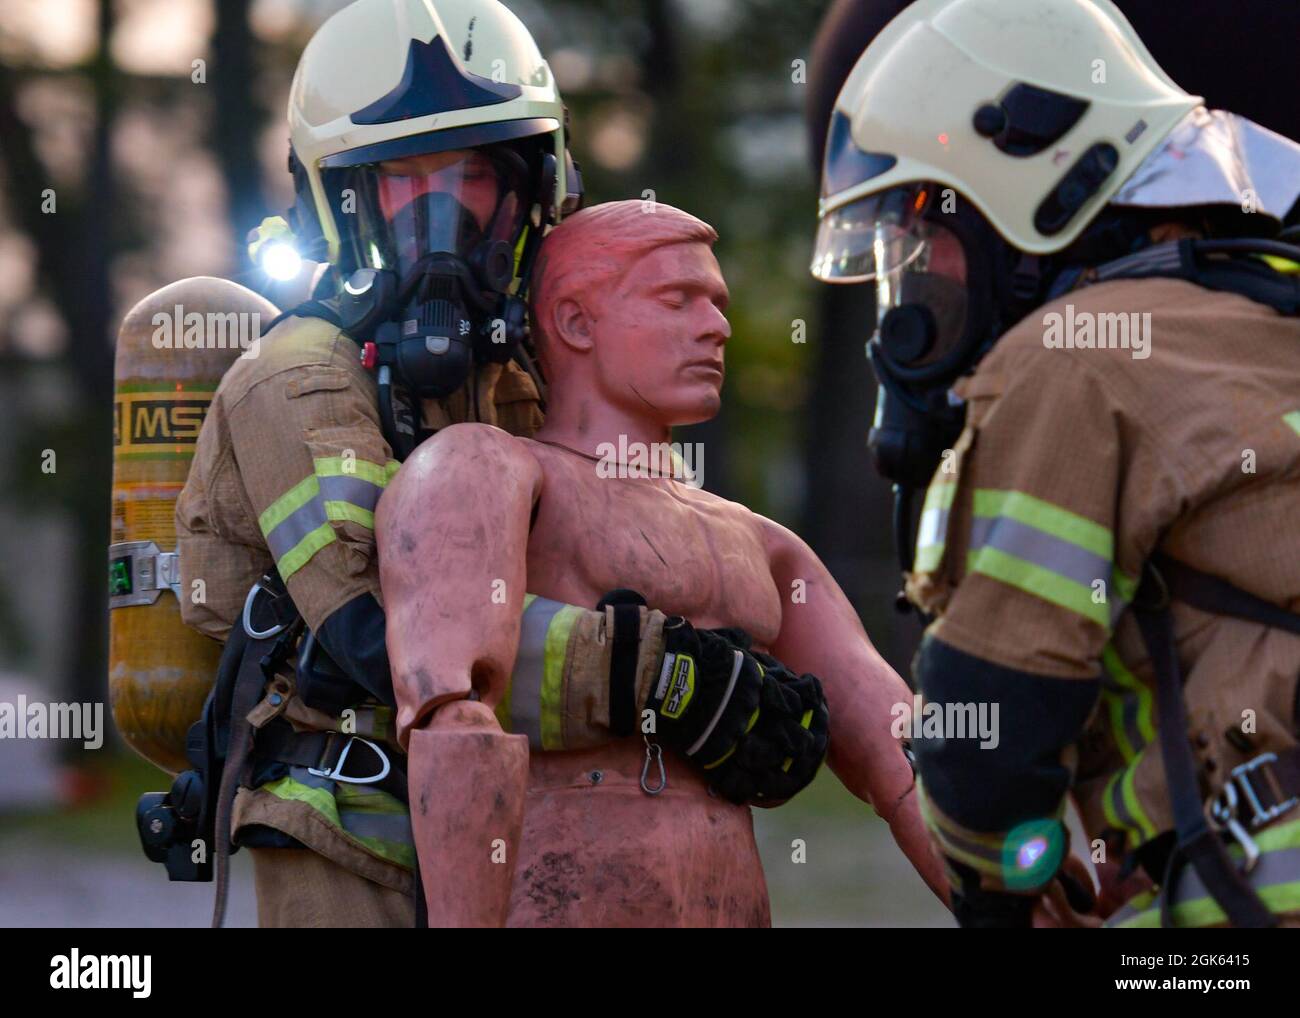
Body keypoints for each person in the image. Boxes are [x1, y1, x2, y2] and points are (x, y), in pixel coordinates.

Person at [174, 0, 824, 928]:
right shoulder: (293, 380)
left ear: (534, 192)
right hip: (344, 844)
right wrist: (659, 677)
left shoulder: (515, 385)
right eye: (406, 178)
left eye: (478, 174)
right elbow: (380, 636)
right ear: (343, 203)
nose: (448, 213)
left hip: (512, 842)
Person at [811, 0, 1300, 927]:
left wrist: (1007, 889)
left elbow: (985, 723)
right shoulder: (1266, 317)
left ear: (1029, 194)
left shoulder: (1069, 363)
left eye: (923, 234)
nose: (912, 290)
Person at [377, 199, 948, 926]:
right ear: (577, 322)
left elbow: (905, 762)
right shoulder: (486, 467)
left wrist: (1030, 905)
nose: (717, 327)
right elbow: (450, 720)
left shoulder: (764, 544)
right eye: (677, 300)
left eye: (717, 304)